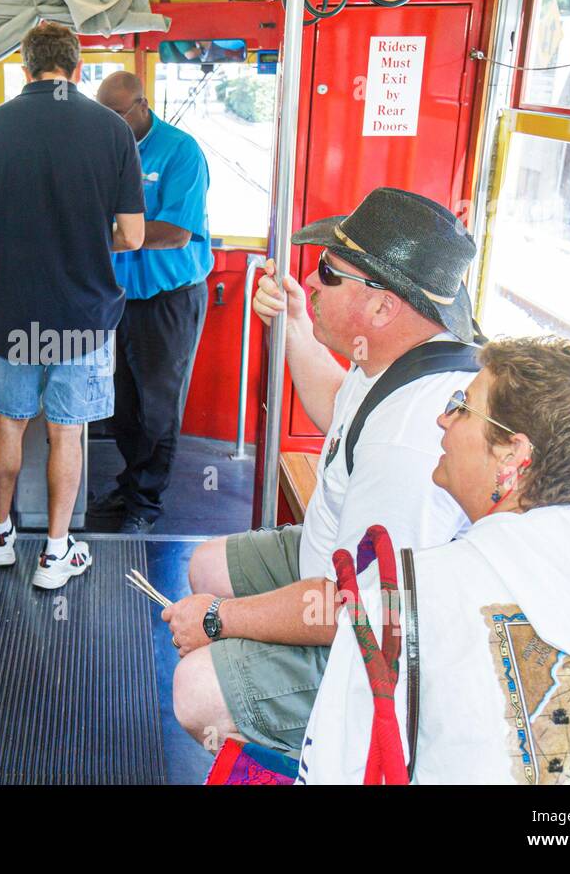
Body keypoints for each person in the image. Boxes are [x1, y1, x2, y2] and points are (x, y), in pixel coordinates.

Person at [299, 337, 570, 784]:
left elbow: (333, 770)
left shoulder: (399, 600)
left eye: (463, 406)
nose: (443, 418)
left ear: (512, 454)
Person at [162, 187, 481, 752]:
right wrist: (295, 328)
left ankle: (311, 754)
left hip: (379, 648)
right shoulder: (392, 355)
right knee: (208, 566)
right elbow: (339, 407)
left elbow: (360, 607)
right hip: (335, 557)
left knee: (196, 687)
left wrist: (218, 622)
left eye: (329, 273)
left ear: (384, 306)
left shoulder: (408, 444)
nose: (310, 281)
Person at [0, 21, 146, 589]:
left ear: (24, 68)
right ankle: (56, 554)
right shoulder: (110, 130)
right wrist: (91, 237)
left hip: (16, 314)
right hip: (83, 319)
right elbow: (134, 236)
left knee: (9, 430)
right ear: (78, 69)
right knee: (67, 434)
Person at [94, 70, 213, 533]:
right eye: (104, 115)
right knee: (123, 404)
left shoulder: (182, 151)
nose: (111, 123)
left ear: (143, 106)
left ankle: (146, 504)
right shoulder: (106, 151)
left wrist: (106, 238)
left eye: (119, 113)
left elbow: (176, 233)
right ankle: (130, 483)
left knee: (158, 405)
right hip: (118, 299)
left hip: (169, 300)